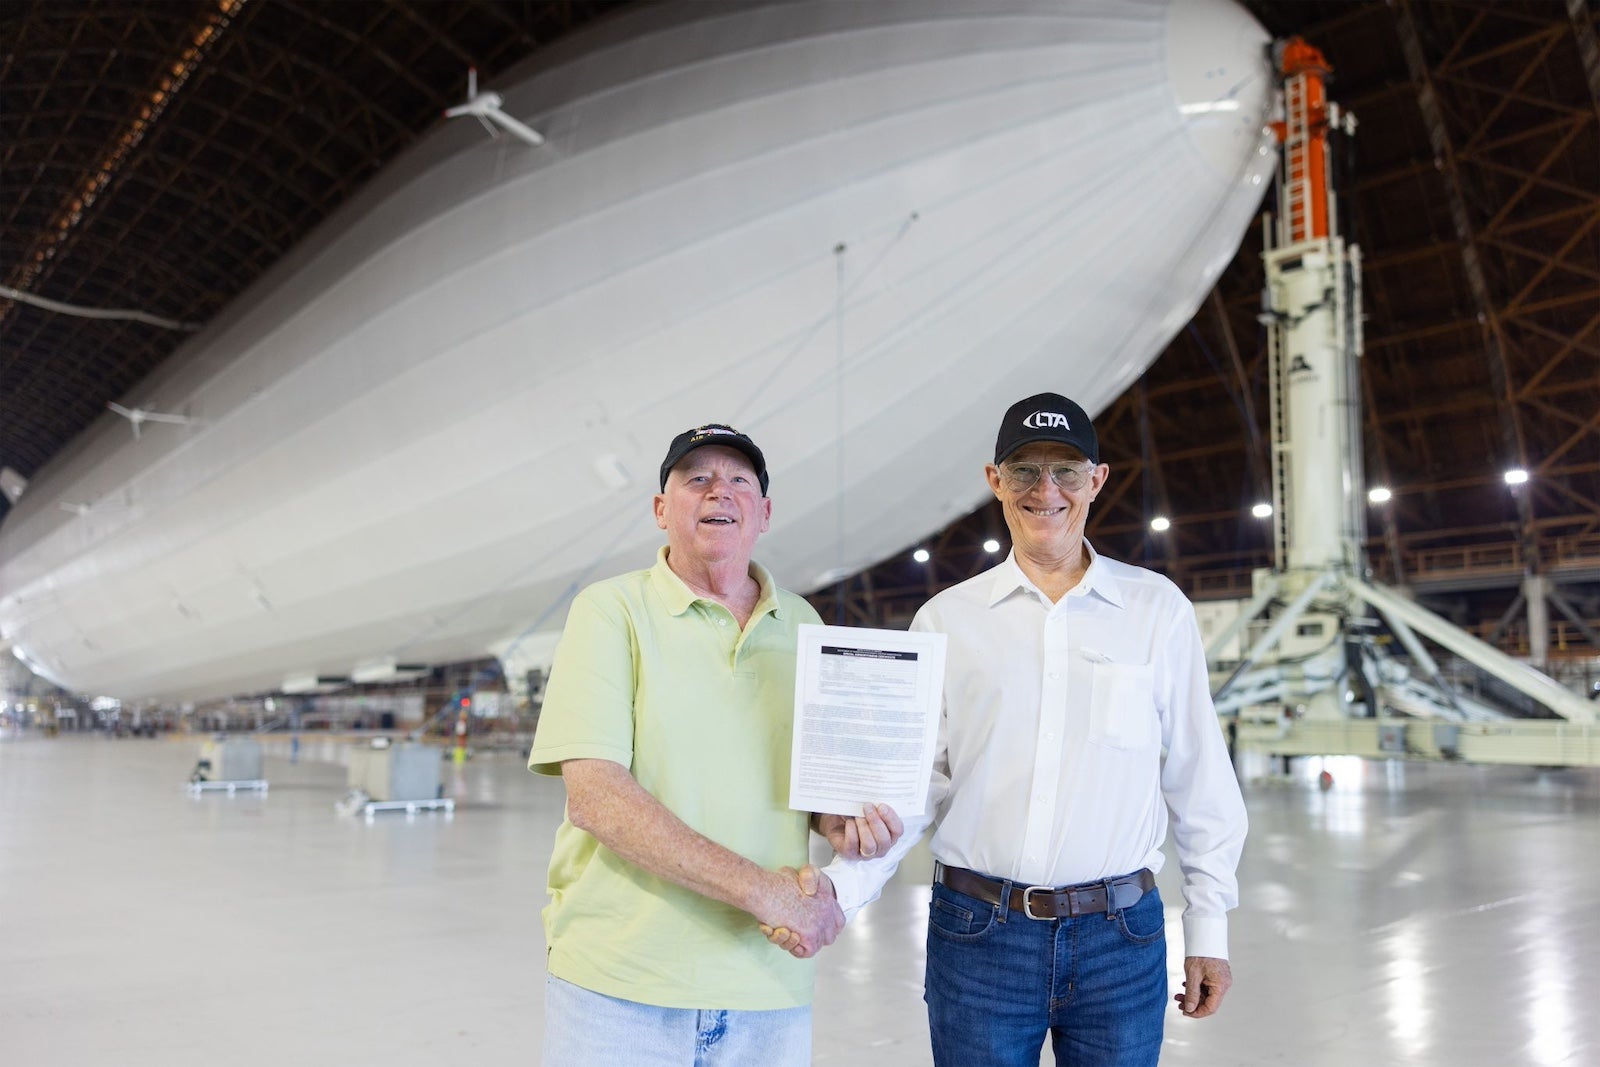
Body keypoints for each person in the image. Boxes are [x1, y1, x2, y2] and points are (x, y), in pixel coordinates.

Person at [777, 392, 1247, 1066]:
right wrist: (838, 891)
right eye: (1024, 470)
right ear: (994, 480)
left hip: (1121, 941)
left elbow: (1200, 777)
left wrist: (1210, 928)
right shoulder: (947, 620)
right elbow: (919, 787)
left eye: (1066, 471)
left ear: (1097, 480)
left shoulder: (1155, 611)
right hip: (979, 939)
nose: (1045, 490)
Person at [527, 422, 896, 1066]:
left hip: (767, 982)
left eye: (738, 480)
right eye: (696, 478)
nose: (718, 491)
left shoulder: (803, 622)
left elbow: (804, 782)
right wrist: (766, 892)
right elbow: (596, 796)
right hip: (622, 983)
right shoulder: (611, 610)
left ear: (765, 512)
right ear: (661, 508)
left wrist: (839, 821)